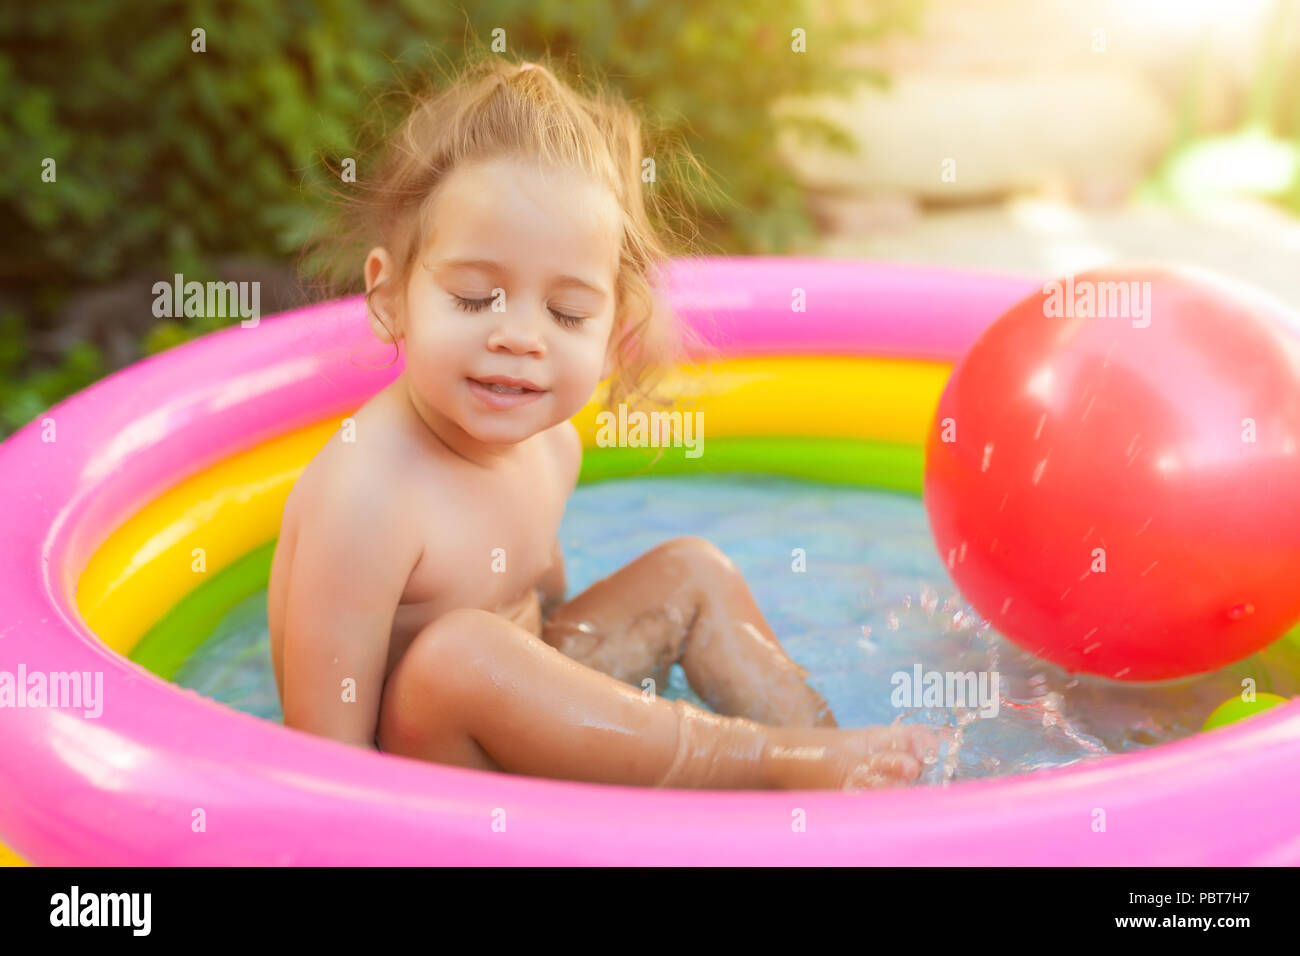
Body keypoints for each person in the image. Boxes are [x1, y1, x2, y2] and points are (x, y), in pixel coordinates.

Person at [268, 55, 937, 790]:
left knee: (692, 570)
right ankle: (761, 763)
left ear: (615, 325)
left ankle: (843, 764)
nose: (521, 337)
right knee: (454, 655)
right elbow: (324, 766)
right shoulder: (367, 496)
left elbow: (546, 622)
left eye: (567, 313)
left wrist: (589, 710)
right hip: (444, 793)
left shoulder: (551, 446)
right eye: (474, 298)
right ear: (390, 296)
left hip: (537, 733)